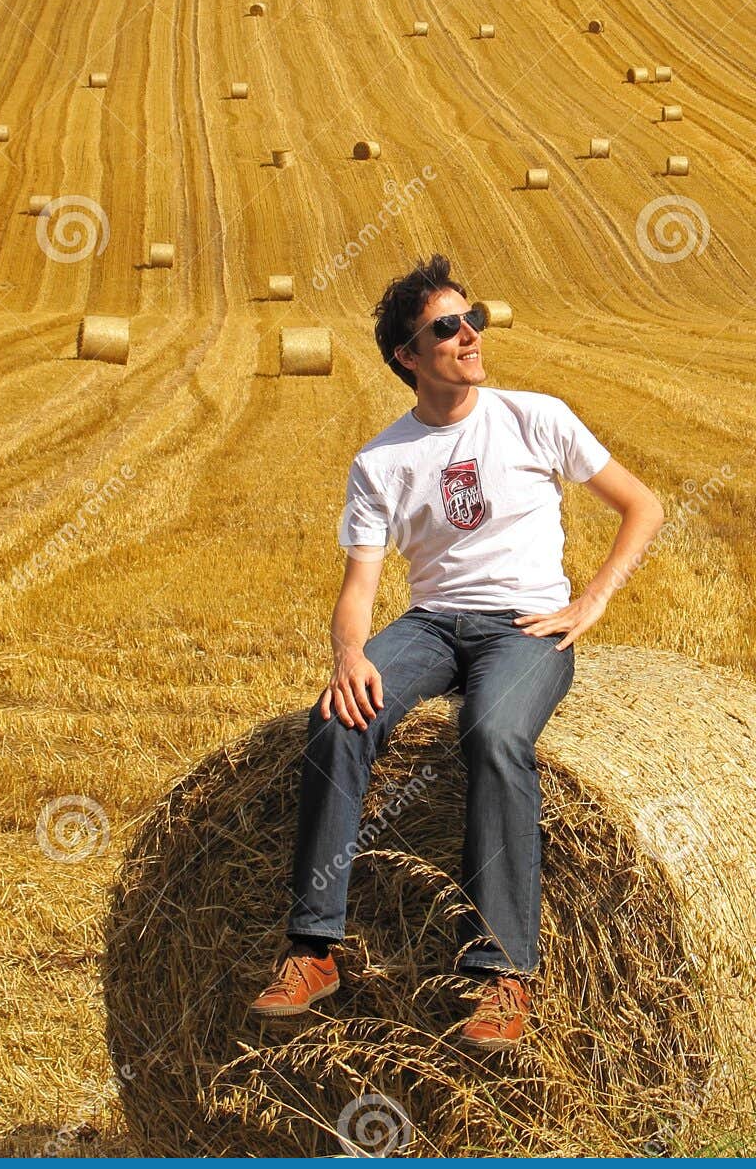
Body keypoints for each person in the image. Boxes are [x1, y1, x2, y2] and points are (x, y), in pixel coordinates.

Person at [250, 254, 664, 1050]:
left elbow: (640, 505)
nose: (470, 334)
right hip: (433, 624)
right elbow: (359, 586)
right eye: (448, 327)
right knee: (336, 720)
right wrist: (348, 654)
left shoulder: (534, 416)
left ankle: (502, 971)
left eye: (473, 319)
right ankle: (312, 949)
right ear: (409, 356)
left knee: (493, 734)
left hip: (524, 627)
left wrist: (591, 600)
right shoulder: (380, 461)